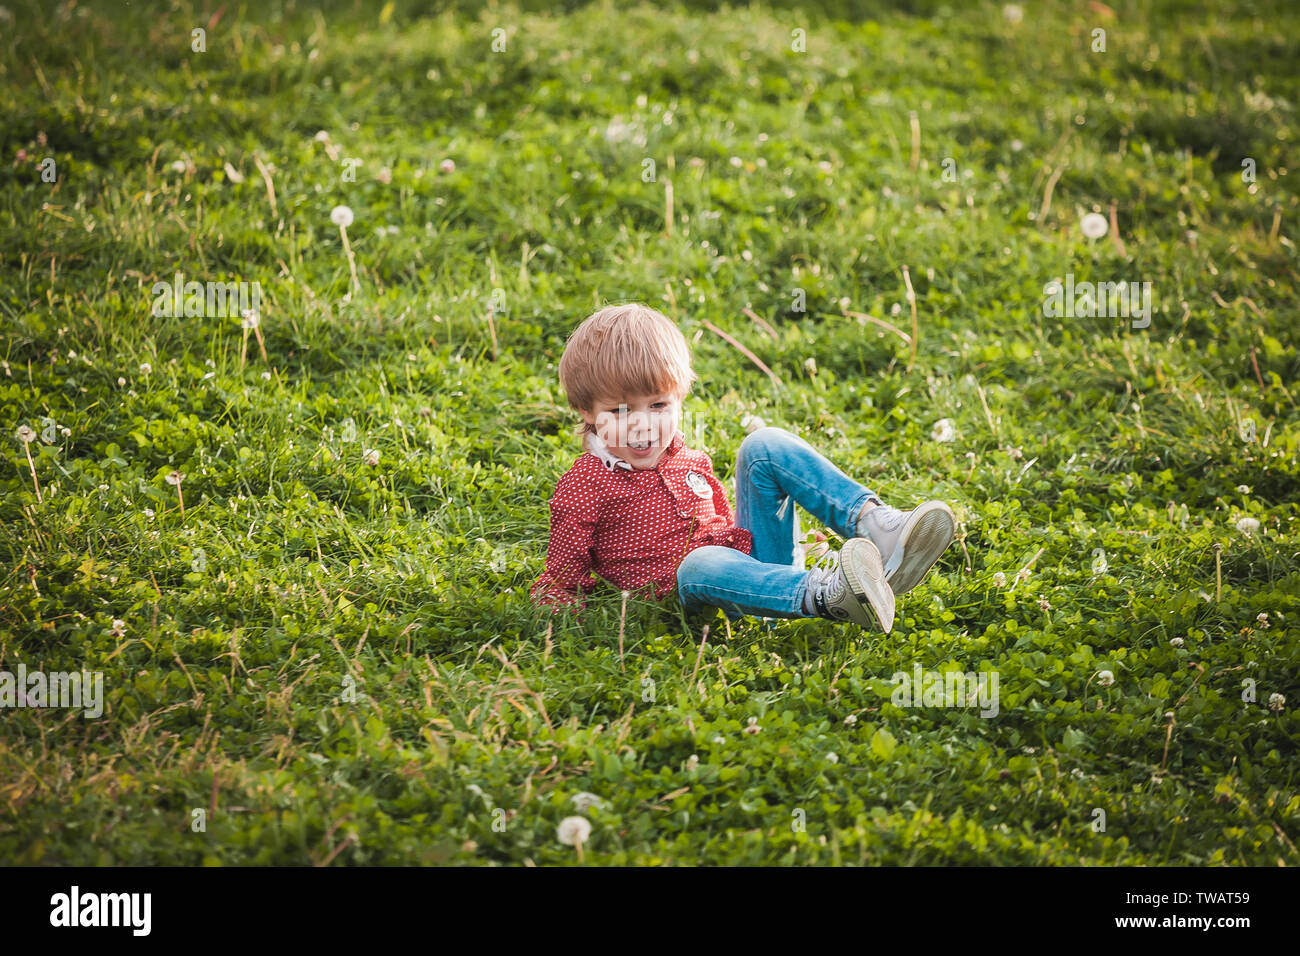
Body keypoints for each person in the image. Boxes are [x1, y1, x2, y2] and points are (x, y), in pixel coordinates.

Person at [530, 303, 955, 632]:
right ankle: (829, 594)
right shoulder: (587, 484)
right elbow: (565, 569)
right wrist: (560, 601)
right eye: (621, 411)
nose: (644, 424)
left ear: (679, 398)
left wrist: (781, 545)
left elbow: (725, 523)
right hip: (701, 591)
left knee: (764, 444)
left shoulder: (688, 460)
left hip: (753, 568)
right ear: (587, 411)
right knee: (697, 564)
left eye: (659, 405)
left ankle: (875, 527)